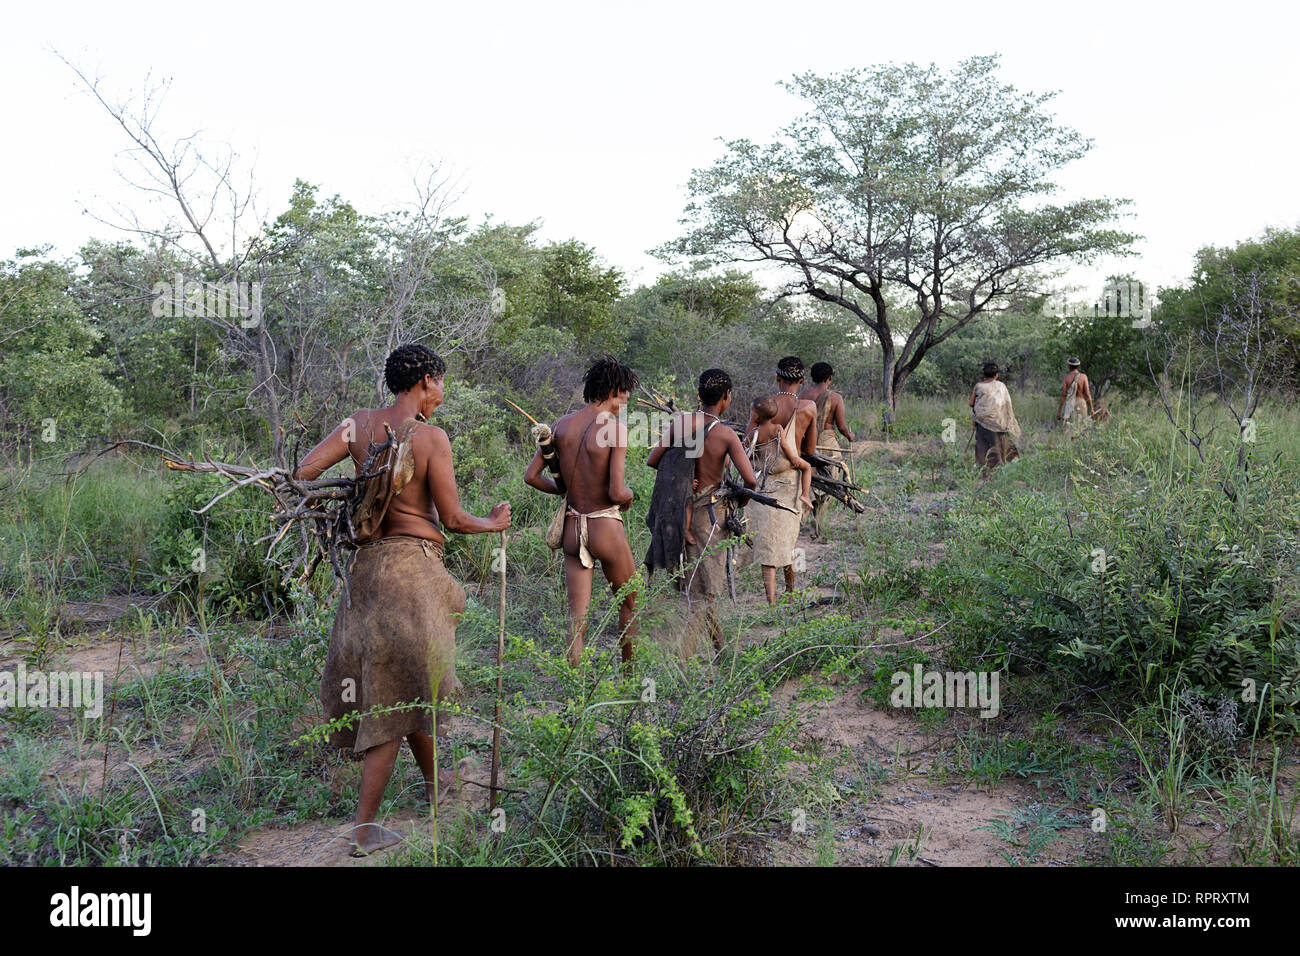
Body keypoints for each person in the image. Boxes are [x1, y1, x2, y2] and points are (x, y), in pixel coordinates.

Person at [294, 343, 511, 856]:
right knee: (395, 701)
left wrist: (359, 493)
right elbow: (455, 520)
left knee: (409, 687)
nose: (441, 396)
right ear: (425, 381)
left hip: (365, 578)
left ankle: (440, 790)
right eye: (440, 385)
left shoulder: (358, 425)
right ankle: (363, 830)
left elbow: (304, 473)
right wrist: (495, 523)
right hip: (412, 576)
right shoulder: (431, 437)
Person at [525, 357, 639, 667]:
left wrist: (563, 490)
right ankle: (629, 678)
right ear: (615, 390)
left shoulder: (561, 425)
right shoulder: (615, 430)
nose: (627, 400)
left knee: (577, 619)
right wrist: (630, 495)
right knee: (630, 601)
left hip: (573, 529)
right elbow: (616, 492)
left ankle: (574, 685)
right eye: (626, 393)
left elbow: (531, 476)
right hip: (605, 526)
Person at [646, 368, 758, 652]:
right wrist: (737, 503)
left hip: (678, 513)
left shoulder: (682, 425)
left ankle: (720, 647)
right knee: (703, 595)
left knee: (698, 587)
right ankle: (683, 659)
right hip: (709, 519)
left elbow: (653, 460)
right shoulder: (725, 435)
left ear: (699, 395)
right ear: (726, 397)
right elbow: (751, 481)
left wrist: (683, 474)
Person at [746, 396, 814, 604]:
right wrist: (794, 459)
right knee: (789, 542)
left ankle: (771, 603)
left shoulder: (754, 431)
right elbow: (787, 446)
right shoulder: (780, 427)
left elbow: (745, 449)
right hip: (786, 475)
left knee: (768, 551)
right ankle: (805, 494)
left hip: (765, 479)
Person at [799, 361, 855, 537]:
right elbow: (842, 426)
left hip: (806, 442)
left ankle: (803, 519)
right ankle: (819, 523)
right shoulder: (836, 398)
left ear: (813, 377)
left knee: (808, 479)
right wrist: (850, 436)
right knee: (830, 480)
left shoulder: (803, 395)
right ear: (829, 378)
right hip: (828, 443)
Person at [969, 361, 1022, 474]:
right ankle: (1000, 467)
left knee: (982, 444)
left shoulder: (979, 386)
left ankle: (982, 468)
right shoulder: (1001, 386)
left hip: (982, 422)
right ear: (996, 375)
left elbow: (971, 403)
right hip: (999, 422)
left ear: (984, 374)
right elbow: (1005, 404)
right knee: (998, 445)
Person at [1057, 357, 1095, 436]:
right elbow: (1087, 394)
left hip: (1070, 404)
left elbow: (1063, 395)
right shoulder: (1084, 377)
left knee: (1069, 428)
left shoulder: (1066, 378)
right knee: (1083, 427)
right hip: (1081, 404)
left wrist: (1059, 412)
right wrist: (1092, 409)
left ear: (1069, 366)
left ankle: (1070, 445)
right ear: (1078, 366)